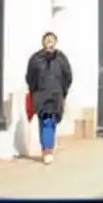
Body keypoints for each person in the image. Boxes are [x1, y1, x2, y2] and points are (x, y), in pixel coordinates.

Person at [25, 31, 72, 165]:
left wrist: (62, 91)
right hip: (41, 96)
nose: (49, 43)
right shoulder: (36, 59)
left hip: (56, 95)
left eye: (52, 40)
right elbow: (30, 77)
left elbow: (68, 76)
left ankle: (47, 148)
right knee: (45, 121)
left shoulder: (61, 58)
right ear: (43, 42)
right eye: (47, 40)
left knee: (51, 122)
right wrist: (35, 91)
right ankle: (47, 150)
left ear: (55, 43)